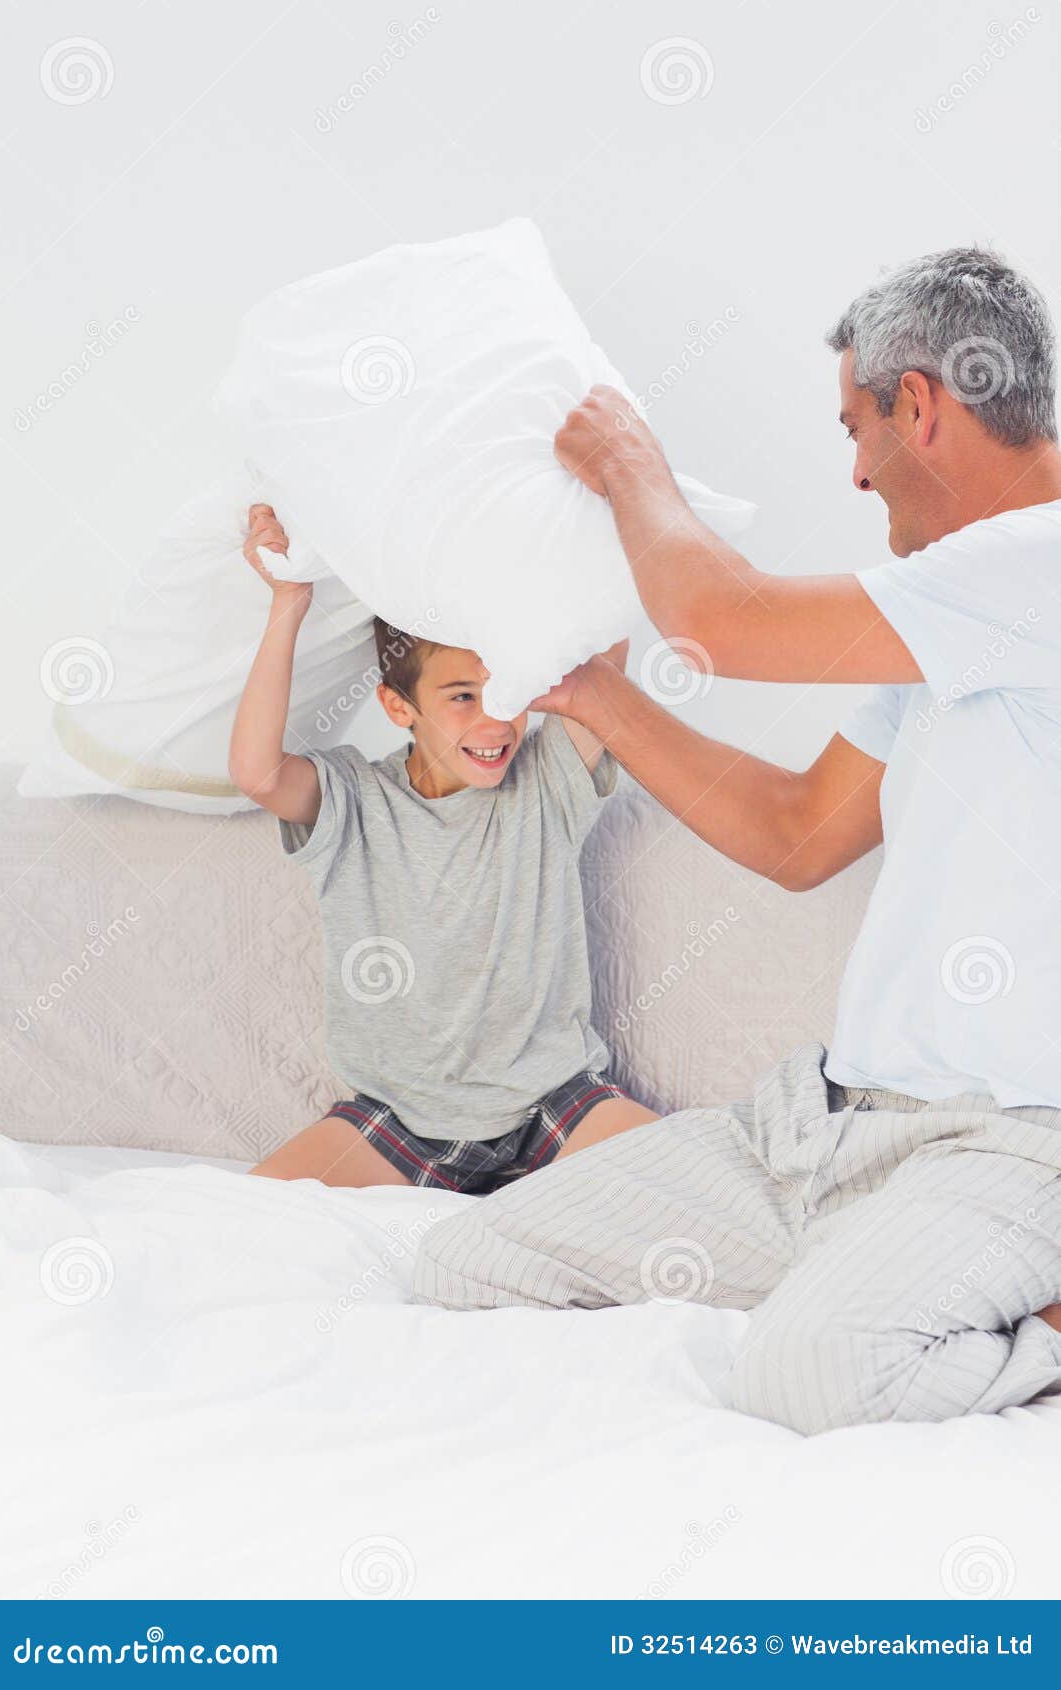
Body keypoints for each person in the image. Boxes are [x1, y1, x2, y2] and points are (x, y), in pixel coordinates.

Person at [411, 246, 1061, 1435]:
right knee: (469, 1262)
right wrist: (598, 698)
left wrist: (625, 465)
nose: (856, 474)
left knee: (808, 1374)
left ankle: (1027, 1322)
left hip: (1006, 1154)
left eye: (854, 427)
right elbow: (797, 829)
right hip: (824, 1129)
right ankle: (864, 1269)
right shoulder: (945, 629)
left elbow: (718, 617)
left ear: (915, 403)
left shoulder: (1040, 563)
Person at [227, 508, 656, 1191]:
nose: (494, 720)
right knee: (245, 1219)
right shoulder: (353, 801)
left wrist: (587, 501)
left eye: (504, 689)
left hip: (553, 1105)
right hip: (399, 1122)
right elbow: (258, 773)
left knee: (691, 1185)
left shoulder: (547, 781)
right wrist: (289, 602)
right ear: (399, 708)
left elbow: (610, 642)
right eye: (461, 696)